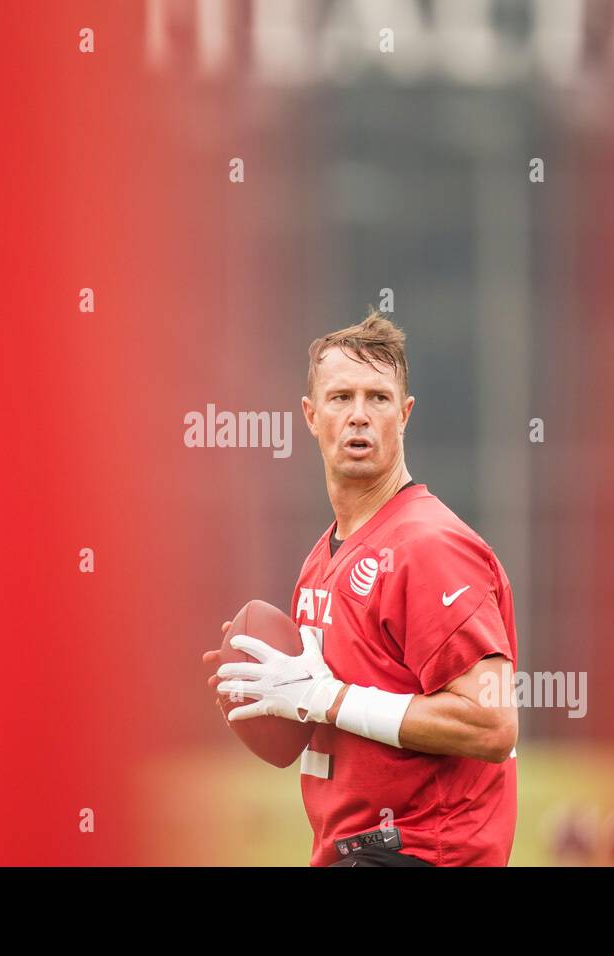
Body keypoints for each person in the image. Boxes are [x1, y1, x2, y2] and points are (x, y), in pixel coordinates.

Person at [203, 310, 519, 866]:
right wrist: (265, 688)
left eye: (377, 398)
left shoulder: (430, 545)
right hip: (353, 851)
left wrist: (325, 698)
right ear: (309, 415)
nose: (358, 417)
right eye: (340, 397)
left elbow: (492, 723)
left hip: (421, 852)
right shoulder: (319, 559)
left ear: (405, 414)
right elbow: (319, 717)